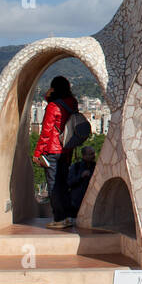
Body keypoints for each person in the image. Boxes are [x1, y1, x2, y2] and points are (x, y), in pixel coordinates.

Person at [33, 76, 79, 229]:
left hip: (53, 150)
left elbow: (46, 132)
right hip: (67, 150)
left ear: (54, 88)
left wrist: (38, 152)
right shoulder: (72, 103)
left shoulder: (53, 106)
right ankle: (68, 217)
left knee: (53, 185)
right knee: (63, 184)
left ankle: (59, 218)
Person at [66, 145, 97, 221]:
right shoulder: (76, 167)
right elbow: (69, 182)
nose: (93, 156)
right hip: (76, 203)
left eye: (93, 153)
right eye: (91, 154)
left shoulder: (96, 166)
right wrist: (81, 176)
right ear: (84, 156)